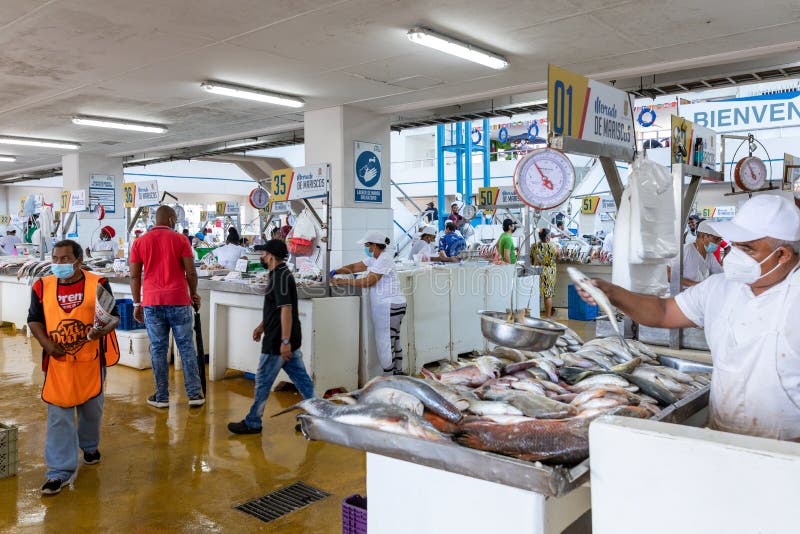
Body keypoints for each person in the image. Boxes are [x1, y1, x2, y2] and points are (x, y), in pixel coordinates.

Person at [575, 194, 800, 441]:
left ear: (782, 255)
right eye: (734, 245)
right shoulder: (720, 287)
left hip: (788, 451)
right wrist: (612, 293)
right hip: (722, 437)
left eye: (747, 248)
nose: (735, 254)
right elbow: (663, 312)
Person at [27, 240, 120, 495]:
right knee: (59, 415)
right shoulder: (41, 286)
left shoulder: (97, 283)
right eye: (55, 259)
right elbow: (34, 320)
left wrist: (100, 329)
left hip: (91, 360)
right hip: (58, 363)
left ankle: (89, 445)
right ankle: (59, 471)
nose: (58, 264)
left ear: (79, 261)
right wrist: (47, 345)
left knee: (91, 409)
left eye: (65, 259)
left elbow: (112, 316)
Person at [228, 239, 314, 434]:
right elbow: (275, 310)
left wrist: (284, 341)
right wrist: (261, 326)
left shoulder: (281, 277)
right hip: (284, 339)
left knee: (263, 382)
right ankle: (315, 418)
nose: (262, 257)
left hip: (278, 342)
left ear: (272, 256)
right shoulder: (278, 274)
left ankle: (253, 422)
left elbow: (286, 310)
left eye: (264, 253)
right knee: (303, 382)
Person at [129, 206, 205, 408]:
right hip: (179, 300)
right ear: (171, 219)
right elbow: (191, 272)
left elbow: (135, 275)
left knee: (158, 349)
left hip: (152, 303)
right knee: (186, 347)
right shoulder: (181, 240)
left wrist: (137, 303)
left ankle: (161, 396)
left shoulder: (139, 242)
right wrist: (193, 293)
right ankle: (195, 394)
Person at [330, 231, 407, 374]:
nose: (366, 248)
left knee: (385, 342)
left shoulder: (384, 259)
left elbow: (369, 281)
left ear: (376, 246)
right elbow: (353, 267)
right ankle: (398, 373)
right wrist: (335, 271)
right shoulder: (375, 260)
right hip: (394, 306)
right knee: (394, 340)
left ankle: (389, 379)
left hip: (389, 307)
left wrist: (343, 281)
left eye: (367, 245)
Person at [667, 220, 723, 291]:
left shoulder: (710, 256)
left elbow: (720, 274)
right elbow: (668, 274)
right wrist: (694, 284)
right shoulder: (686, 250)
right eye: (716, 239)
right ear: (703, 236)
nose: (718, 243)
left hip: (698, 293)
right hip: (681, 294)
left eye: (720, 240)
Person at [531, 228, 558, 318]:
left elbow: (531, 258)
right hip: (549, 272)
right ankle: (548, 316)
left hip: (538, 270)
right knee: (548, 295)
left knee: (536, 293)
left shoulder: (534, 246)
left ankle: (535, 314)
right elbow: (558, 256)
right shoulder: (553, 246)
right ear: (547, 237)